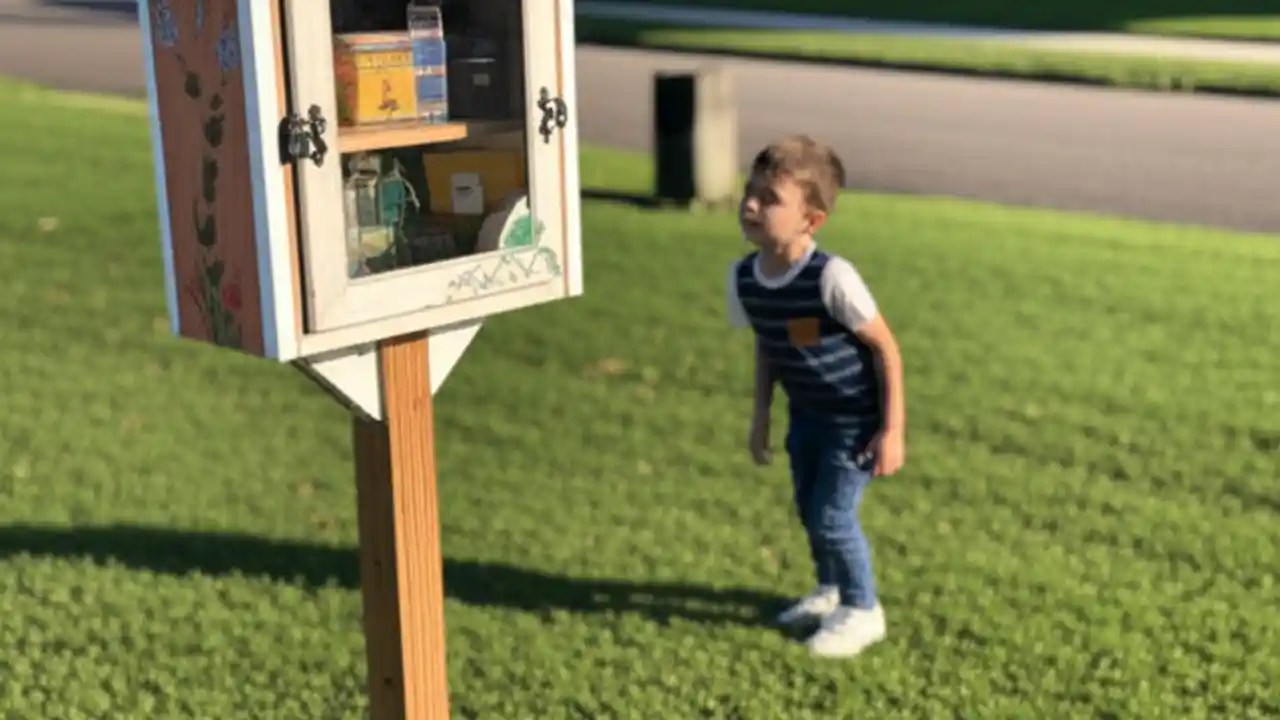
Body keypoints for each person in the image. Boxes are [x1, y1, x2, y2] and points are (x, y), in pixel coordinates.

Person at [725, 134, 907, 659]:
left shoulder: (832, 277)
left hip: (855, 421)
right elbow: (769, 347)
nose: (751, 205)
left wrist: (892, 431)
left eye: (770, 199)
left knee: (832, 516)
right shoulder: (745, 279)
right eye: (749, 191)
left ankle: (863, 608)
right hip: (805, 416)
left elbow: (887, 351)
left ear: (812, 219)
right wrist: (761, 416)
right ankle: (831, 591)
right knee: (810, 509)